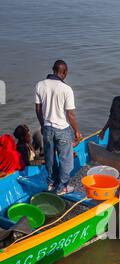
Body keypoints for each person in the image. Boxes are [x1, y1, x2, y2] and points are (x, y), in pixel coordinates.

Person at [35, 60, 81, 195]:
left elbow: (38, 110)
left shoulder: (40, 85)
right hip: (62, 130)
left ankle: (51, 182)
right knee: (67, 161)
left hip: (47, 128)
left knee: (50, 158)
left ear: (53, 69)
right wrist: (77, 130)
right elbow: (70, 115)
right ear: (65, 72)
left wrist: (43, 125)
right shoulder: (66, 89)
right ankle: (62, 187)